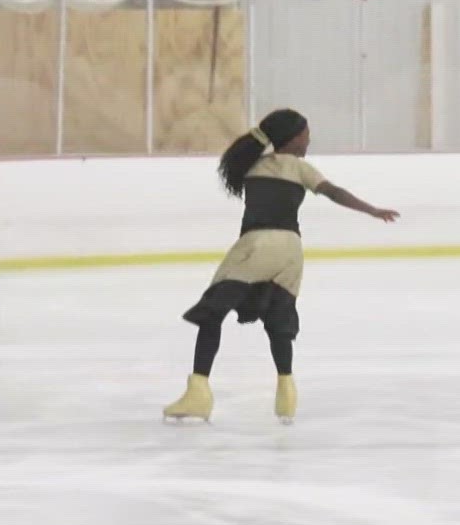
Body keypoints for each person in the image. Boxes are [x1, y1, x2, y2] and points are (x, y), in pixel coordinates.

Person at [164, 109, 398, 425]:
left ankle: (198, 393)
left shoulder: (253, 167)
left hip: (257, 246)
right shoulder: (301, 169)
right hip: (290, 251)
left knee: (212, 313)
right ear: (292, 137)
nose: (309, 139)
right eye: (305, 134)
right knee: (280, 318)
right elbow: (333, 192)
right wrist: (371, 210)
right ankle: (286, 392)